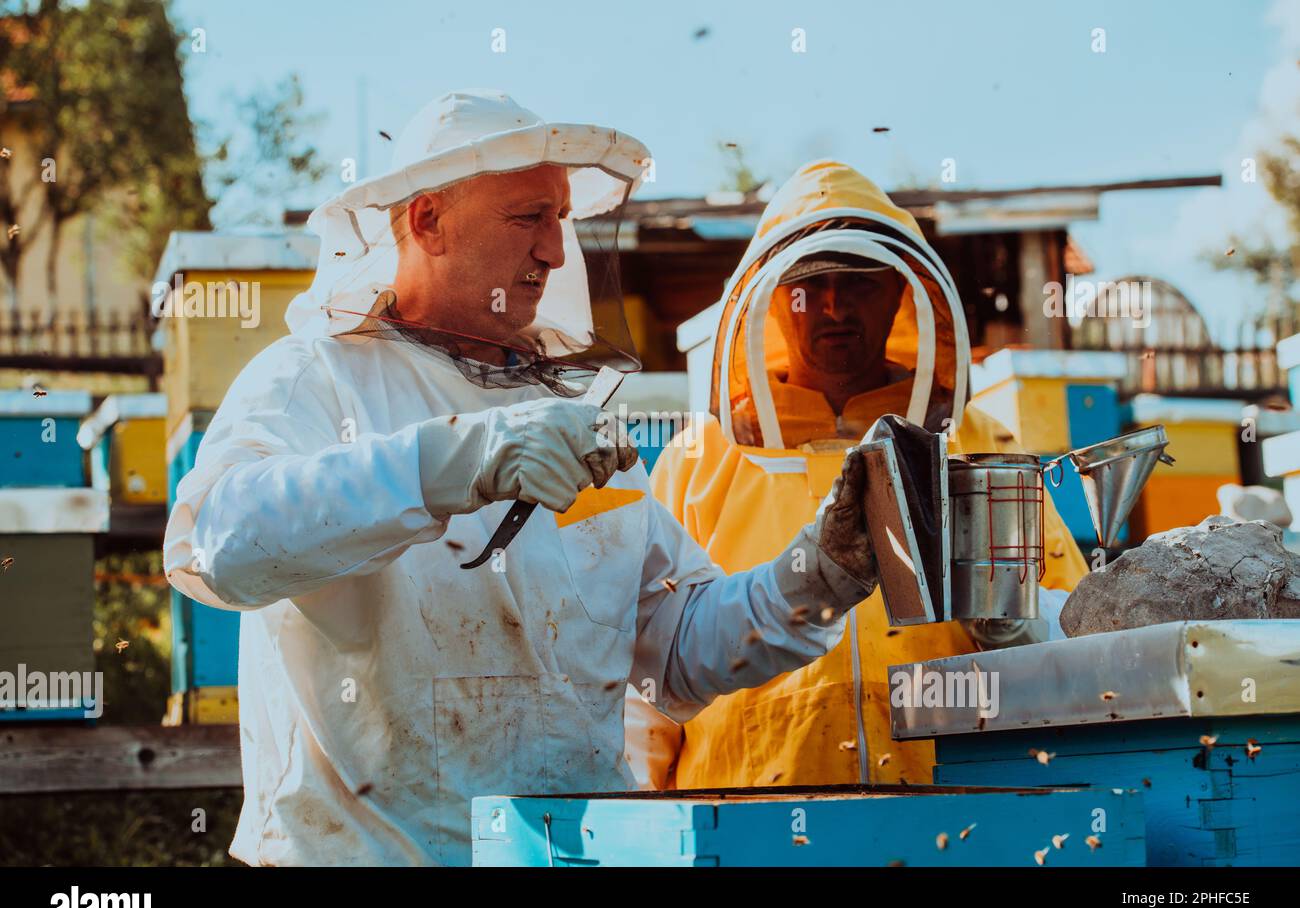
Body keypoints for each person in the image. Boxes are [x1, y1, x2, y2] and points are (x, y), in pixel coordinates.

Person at [163, 92, 881, 866]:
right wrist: (455, 462)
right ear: (428, 220)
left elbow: (678, 647)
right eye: (527, 218)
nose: (555, 253)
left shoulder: (562, 416)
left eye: (562, 220)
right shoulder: (314, 379)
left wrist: (819, 577)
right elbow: (214, 546)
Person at [627, 160, 1090, 791]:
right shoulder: (696, 463)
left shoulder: (980, 444)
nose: (835, 305)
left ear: (903, 291)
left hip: (958, 818)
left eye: (860, 281)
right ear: (770, 297)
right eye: (809, 285)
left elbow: (1080, 641)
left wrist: (1017, 620)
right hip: (740, 828)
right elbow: (643, 688)